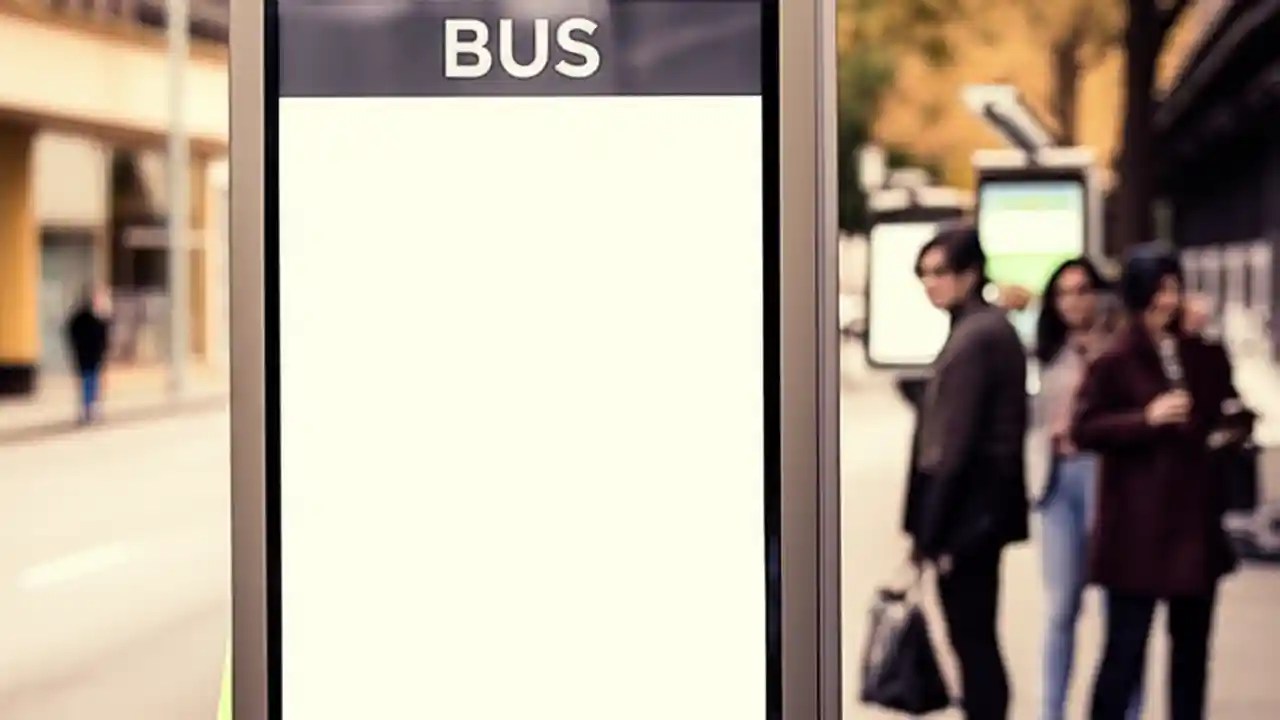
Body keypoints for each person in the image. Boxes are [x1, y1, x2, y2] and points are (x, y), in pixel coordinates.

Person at [1072, 251, 1244, 720]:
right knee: (1124, 653)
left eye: (1174, 288)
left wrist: (1230, 430)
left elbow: (1228, 407)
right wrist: (1143, 420)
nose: (1168, 300)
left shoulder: (1199, 351)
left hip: (1193, 525)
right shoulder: (1116, 357)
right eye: (1159, 289)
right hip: (1137, 529)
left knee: (1191, 656)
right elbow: (1086, 428)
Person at [903, 223, 1029, 720]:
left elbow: (954, 447)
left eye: (941, 272)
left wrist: (930, 533)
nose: (930, 284)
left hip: (969, 517)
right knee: (974, 640)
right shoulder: (982, 329)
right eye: (925, 274)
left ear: (970, 273)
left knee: (973, 641)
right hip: (977, 514)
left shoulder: (978, 336)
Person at [1032, 258, 1142, 720]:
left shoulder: (1120, 351)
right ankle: (1051, 711)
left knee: (1119, 609)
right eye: (1063, 293)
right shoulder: (1048, 353)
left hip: (1106, 477)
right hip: (1058, 484)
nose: (1073, 301)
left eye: (1082, 290)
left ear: (1099, 294)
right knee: (1061, 609)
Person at [64, 288, 111, 425]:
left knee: (86, 382)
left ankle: (87, 409)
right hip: (93, 356)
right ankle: (91, 408)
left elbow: (71, 334)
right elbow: (103, 337)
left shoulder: (76, 320)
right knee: (92, 382)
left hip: (82, 356)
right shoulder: (96, 320)